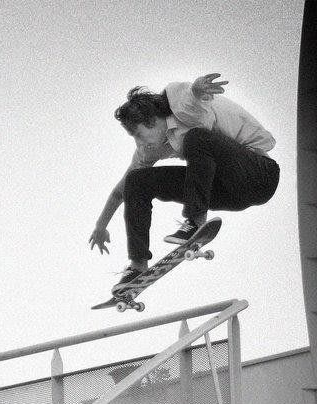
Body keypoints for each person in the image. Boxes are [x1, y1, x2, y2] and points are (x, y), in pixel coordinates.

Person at [88, 73, 279, 293]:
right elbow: (120, 192)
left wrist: (197, 89)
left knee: (196, 138)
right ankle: (138, 265)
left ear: (154, 120)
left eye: (140, 135)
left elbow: (193, 101)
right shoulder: (149, 149)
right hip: (228, 193)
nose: (140, 143)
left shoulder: (179, 106)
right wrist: (101, 226)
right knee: (136, 181)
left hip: (259, 175)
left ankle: (195, 221)